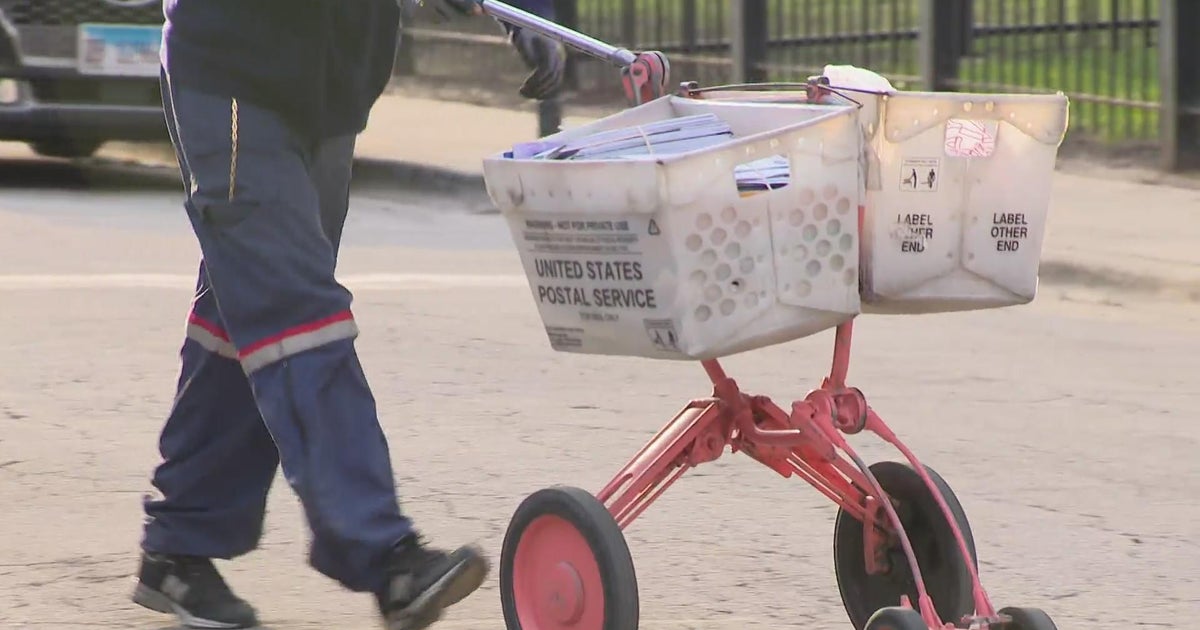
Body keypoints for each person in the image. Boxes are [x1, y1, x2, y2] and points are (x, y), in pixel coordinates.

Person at [131, 1, 565, 629]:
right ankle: (384, 557)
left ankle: (181, 545)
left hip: (331, 91)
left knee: (247, 315)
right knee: (297, 319)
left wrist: (530, 10)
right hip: (233, 73)